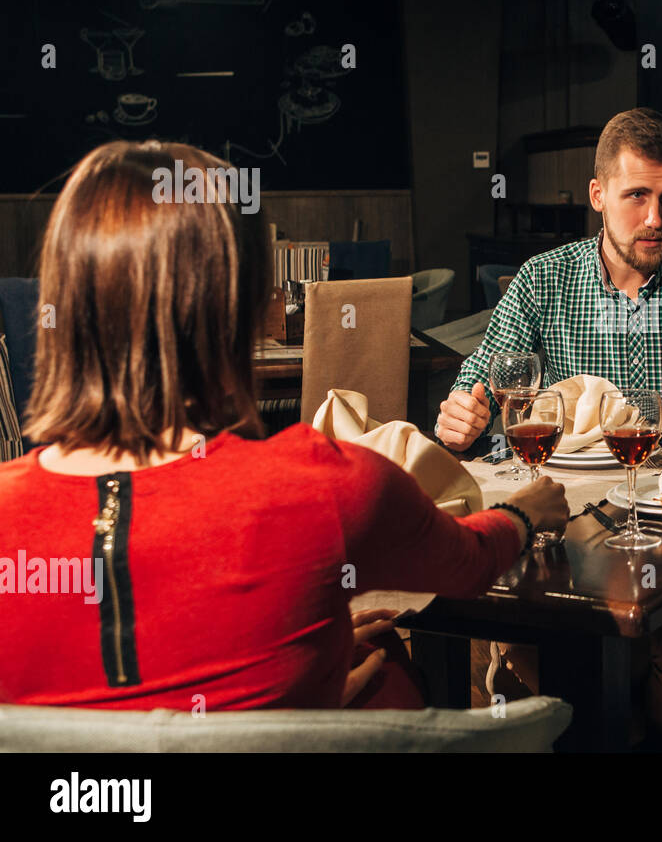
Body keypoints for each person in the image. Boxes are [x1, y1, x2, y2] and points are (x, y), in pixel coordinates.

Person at [0, 141, 569, 711]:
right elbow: (468, 563)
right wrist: (526, 511)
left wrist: (295, 675)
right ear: (248, 308)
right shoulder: (326, 485)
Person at [435, 107, 662, 741]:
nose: (656, 219)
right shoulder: (542, 281)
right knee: (560, 668)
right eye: (637, 197)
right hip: (563, 534)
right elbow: (479, 384)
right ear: (598, 195)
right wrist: (462, 411)